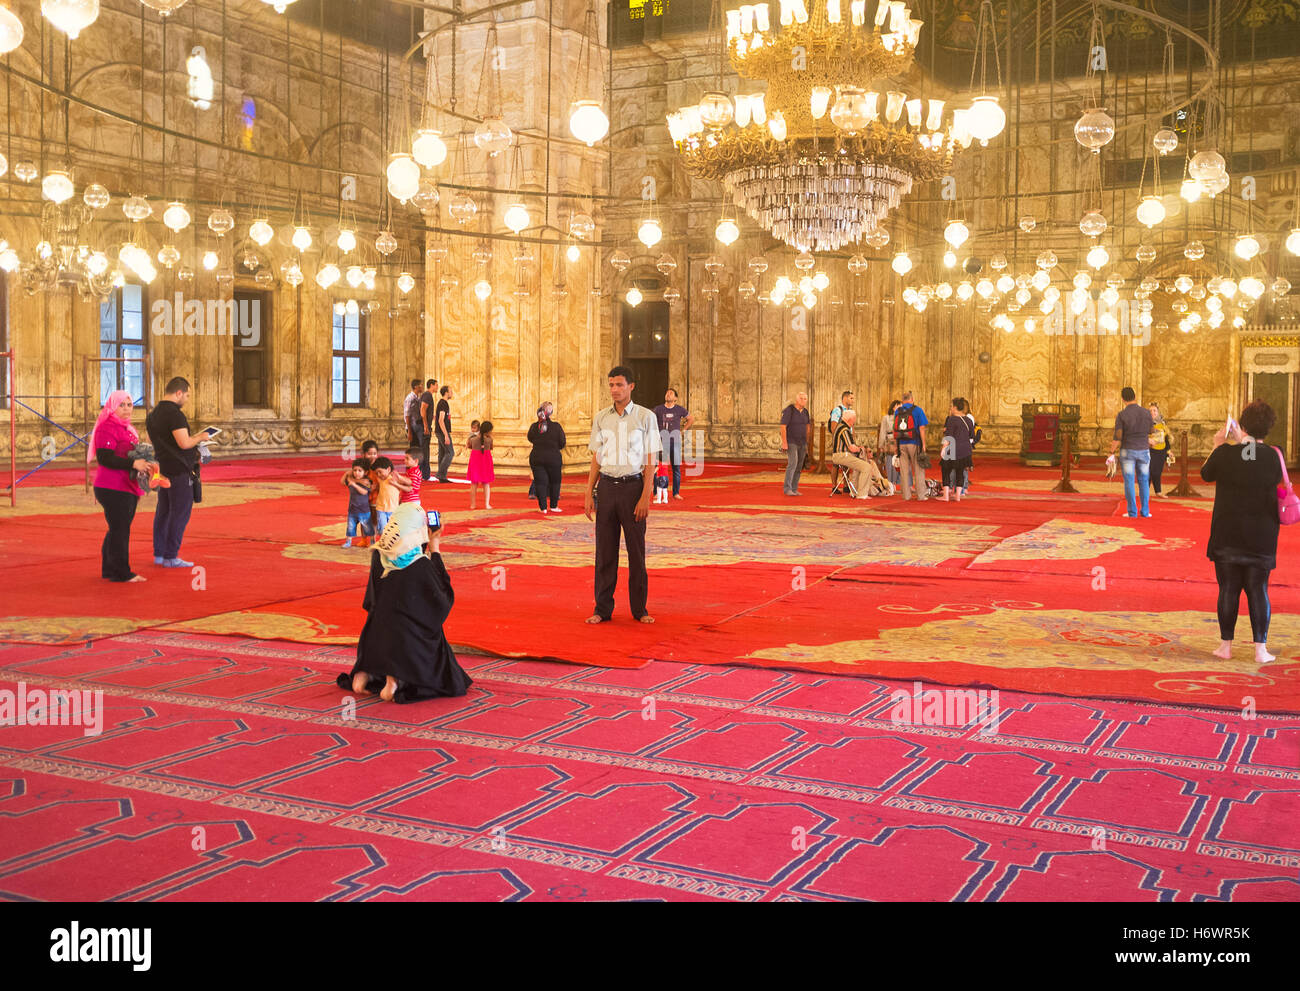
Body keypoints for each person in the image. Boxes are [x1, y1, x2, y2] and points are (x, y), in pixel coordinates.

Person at [337, 503, 473, 702]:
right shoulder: (421, 565)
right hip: (405, 640)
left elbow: (372, 599)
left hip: (375, 635)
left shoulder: (378, 555)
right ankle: (393, 681)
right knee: (429, 631)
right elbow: (441, 601)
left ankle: (363, 673)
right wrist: (434, 546)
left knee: (384, 620)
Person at [1200, 401, 1283, 665]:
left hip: (1228, 533)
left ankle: (1226, 646)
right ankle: (1261, 650)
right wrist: (1245, 441)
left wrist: (1220, 443)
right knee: (1258, 589)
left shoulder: (1225, 454)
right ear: (1269, 428)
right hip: (1261, 535)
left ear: (1242, 425)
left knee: (1228, 589)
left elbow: (1205, 474)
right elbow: (1257, 459)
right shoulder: (1275, 455)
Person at [584, 365, 661, 624]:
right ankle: (602, 609)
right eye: (611, 385)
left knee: (636, 553)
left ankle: (640, 610)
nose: (614, 390)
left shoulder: (645, 417)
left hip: (632, 489)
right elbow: (596, 457)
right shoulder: (601, 418)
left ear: (631, 386)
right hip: (606, 488)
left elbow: (651, 460)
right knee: (604, 553)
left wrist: (645, 497)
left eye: (619, 385)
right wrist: (589, 493)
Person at [90, 390, 156, 582]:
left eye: (129, 405)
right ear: (112, 406)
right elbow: (105, 458)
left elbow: (129, 454)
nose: (127, 409)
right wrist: (133, 464)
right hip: (112, 487)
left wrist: (144, 463)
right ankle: (122, 573)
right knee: (120, 529)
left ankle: (109, 569)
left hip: (126, 485)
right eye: (122, 405)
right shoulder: (106, 427)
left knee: (117, 527)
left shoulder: (128, 428)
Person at [146, 376, 210, 568]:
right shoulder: (174, 414)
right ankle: (171, 556)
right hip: (179, 469)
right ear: (178, 393)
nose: (187, 399)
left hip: (162, 467)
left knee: (163, 511)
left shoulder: (153, 414)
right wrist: (201, 437)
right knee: (180, 512)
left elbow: (152, 443)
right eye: (187, 395)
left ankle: (159, 554)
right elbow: (184, 443)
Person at [1109, 386, 1154, 518]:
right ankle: (1145, 512)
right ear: (1135, 396)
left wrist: (1111, 451)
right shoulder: (1146, 413)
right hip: (1144, 450)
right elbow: (1151, 431)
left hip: (1127, 451)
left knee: (1129, 481)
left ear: (1122, 399)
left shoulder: (1122, 415)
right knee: (1144, 481)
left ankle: (1132, 512)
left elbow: (1118, 436)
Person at [831, 409, 890, 498]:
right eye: (854, 419)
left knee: (860, 465)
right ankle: (862, 494)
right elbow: (852, 448)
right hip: (841, 456)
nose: (854, 421)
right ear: (849, 419)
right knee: (867, 467)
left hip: (842, 455)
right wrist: (861, 449)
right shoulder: (844, 429)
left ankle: (855, 492)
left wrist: (859, 449)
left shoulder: (841, 427)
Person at [652, 388, 694, 500]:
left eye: (671, 393)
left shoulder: (679, 409)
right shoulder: (658, 409)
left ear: (675, 398)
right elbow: (651, 421)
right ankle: (656, 492)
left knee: (676, 468)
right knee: (658, 468)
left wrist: (683, 430)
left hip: (674, 442)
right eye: (667, 393)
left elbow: (690, 419)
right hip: (661, 442)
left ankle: (676, 493)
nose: (668, 395)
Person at [528, 401, 567, 514]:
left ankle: (543, 508)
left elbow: (530, 438)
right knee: (555, 482)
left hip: (537, 456)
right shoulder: (556, 426)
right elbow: (562, 443)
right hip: (553, 457)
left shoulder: (534, 426)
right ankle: (554, 506)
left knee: (540, 482)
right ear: (551, 412)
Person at [893, 390, 929, 501]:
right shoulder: (917, 410)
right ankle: (921, 496)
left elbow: (895, 429)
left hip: (901, 444)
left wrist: (895, 446)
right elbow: (922, 428)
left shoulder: (897, 411)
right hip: (914, 443)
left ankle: (906, 495)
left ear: (902, 400)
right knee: (918, 470)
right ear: (912, 399)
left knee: (904, 471)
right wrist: (924, 444)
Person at [940, 398, 975, 502]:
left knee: (945, 470)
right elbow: (971, 435)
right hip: (966, 449)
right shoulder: (968, 420)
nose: (950, 408)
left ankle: (946, 496)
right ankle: (958, 496)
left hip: (953, 449)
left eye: (951, 406)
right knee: (960, 471)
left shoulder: (952, 419)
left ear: (955, 407)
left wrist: (943, 449)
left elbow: (948, 437)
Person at [779, 392, 812, 497]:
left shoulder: (806, 412)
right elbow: (783, 426)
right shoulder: (790, 410)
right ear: (797, 400)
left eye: (805, 399)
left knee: (799, 466)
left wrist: (807, 442)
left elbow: (807, 427)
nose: (803, 400)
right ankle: (787, 488)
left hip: (802, 442)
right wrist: (784, 443)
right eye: (801, 398)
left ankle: (794, 488)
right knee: (793, 463)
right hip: (791, 441)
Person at [343, 459, 373, 549]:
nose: (357, 473)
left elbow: (364, 492)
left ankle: (372, 541)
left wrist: (355, 484)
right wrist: (346, 474)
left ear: (365, 472)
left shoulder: (366, 481)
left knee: (368, 528)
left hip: (364, 510)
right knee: (350, 527)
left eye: (360, 471)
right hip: (352, 509)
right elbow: (342, 482)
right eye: (355, 470)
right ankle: (348, 541)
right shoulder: (351, 479)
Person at [468, 420, 495, 510]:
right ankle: (487, 504)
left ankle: (473, 504)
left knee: (474, 483)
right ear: (488, 431)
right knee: (486, 483)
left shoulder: (473, 439)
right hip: (485, 461)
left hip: (475, 460)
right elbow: (491, 447)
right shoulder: (489, 440)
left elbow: (469, 446)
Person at [371, 456, 401, 533]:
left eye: (380, 472)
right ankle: (384, 543)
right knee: (383, 530)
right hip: (381, 509)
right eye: (377, 473)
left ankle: (391, 544)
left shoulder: (395, 479)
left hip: (393, 509)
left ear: (388, 469)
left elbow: (408, 486)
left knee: (393, 530)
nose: (379, 474)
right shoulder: (380, 479)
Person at [1149, 402, 1173, 497]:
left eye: (1154, 410)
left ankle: (1158, 492)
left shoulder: (1163, 424)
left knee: (1158, 472)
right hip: (1150, 451)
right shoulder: (1145, 423)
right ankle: (1145, 492)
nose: (1152, 412)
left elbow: (1166, 439)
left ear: (1158, 412)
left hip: (1161, 451)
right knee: (1149, 472)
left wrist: (1169, 451)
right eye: (1150, 411)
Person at [416, 378, 437, 481]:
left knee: (425, 450)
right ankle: (423, 474)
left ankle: (424, 474)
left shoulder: (427, 395)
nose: (437, 387)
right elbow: (422, 410)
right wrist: (425, 425)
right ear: (431, 385)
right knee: (424, 450)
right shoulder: (427, 395)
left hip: (424, 426)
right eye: (436, 385)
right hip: (423, 426)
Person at [879, 399, 901, 487]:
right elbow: (882, 431)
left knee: (898, 461)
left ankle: (897, 481)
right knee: (889, 461)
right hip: (889, 441)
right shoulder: (886, 418)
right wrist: (881, 445)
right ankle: (890, 481)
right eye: (899, 406)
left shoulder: (902, 417)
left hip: (899, 440)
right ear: (894, 406)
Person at [435, 384, 455, 483]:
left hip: (440, 431)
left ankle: (442, 477)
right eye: (451, 391)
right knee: (450, 452)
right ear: (446, 393)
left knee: (442, 453)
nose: (452, 393)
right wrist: (446, 435)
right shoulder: (443, 403)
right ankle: (440, 474)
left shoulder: (443, 403)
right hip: (442, 432)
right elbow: (440, 420)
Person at [403, 379, 422, 446]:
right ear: (416, 387)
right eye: (421, 385)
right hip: (412, 427)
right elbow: (407, 415)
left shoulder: (418, 398)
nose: (422, 386)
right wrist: (409, 431)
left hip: (417, 426)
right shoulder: (410, 398)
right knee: (414, 448)